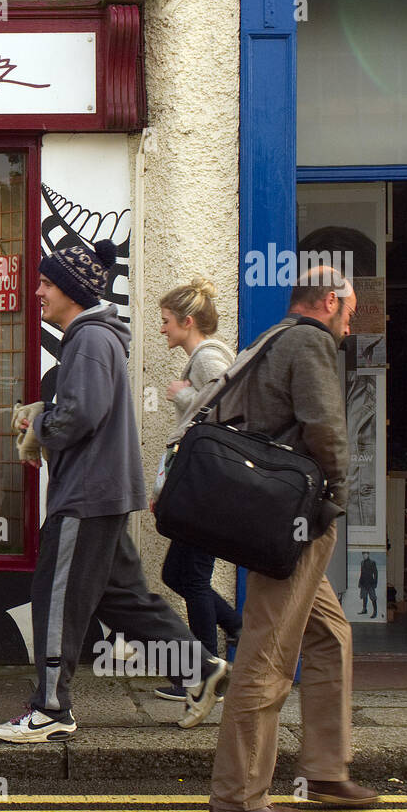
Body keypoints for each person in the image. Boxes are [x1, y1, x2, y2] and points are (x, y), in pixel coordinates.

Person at [0, 240, 229, 743]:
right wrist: (47, 415)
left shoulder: (88, 339)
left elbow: (81, 414)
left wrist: (40, 425)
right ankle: (201, 670)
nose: (38, 292)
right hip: (104, 492)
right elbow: (85, 408)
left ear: (71, 291)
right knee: (122, 600)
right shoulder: (95, 336)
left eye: (46, 284)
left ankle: (51, 709)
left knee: (55, 597)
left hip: (85, 495)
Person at [205, 265, 379, 812]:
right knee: (270, 650)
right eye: (349, 313)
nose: (349, 326)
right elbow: (326, 428)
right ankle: (238, 796)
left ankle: (326, 768)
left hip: (272, 515)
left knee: (330, 635)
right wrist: (338, 498)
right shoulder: (309, 342)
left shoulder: (269, 340)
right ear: (329, 301)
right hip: (297, 519)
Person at [152, 279, 242, 701]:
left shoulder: (207, 358)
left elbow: (229, 413)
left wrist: (184, 396)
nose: (162, 329)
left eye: (167, 321)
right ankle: (236, 628)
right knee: (178, 573)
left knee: (192, 577)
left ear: (187, 322)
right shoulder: (204, 358)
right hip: (203, 488)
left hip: (208, 489)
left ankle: (204, 676)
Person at [358, 552, 379, 617]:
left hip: (370, 583)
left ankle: (375, 612)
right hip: (363, 583)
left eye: (365, 554)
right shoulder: (362, 562)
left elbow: (375, 573)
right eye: (363, 554)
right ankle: (364, 610)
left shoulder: (372, 562)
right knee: (364, 597)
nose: (364, 556)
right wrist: (359, 582)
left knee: (373, 598)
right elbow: (362, 573)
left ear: (368, 554)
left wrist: (375, 583)